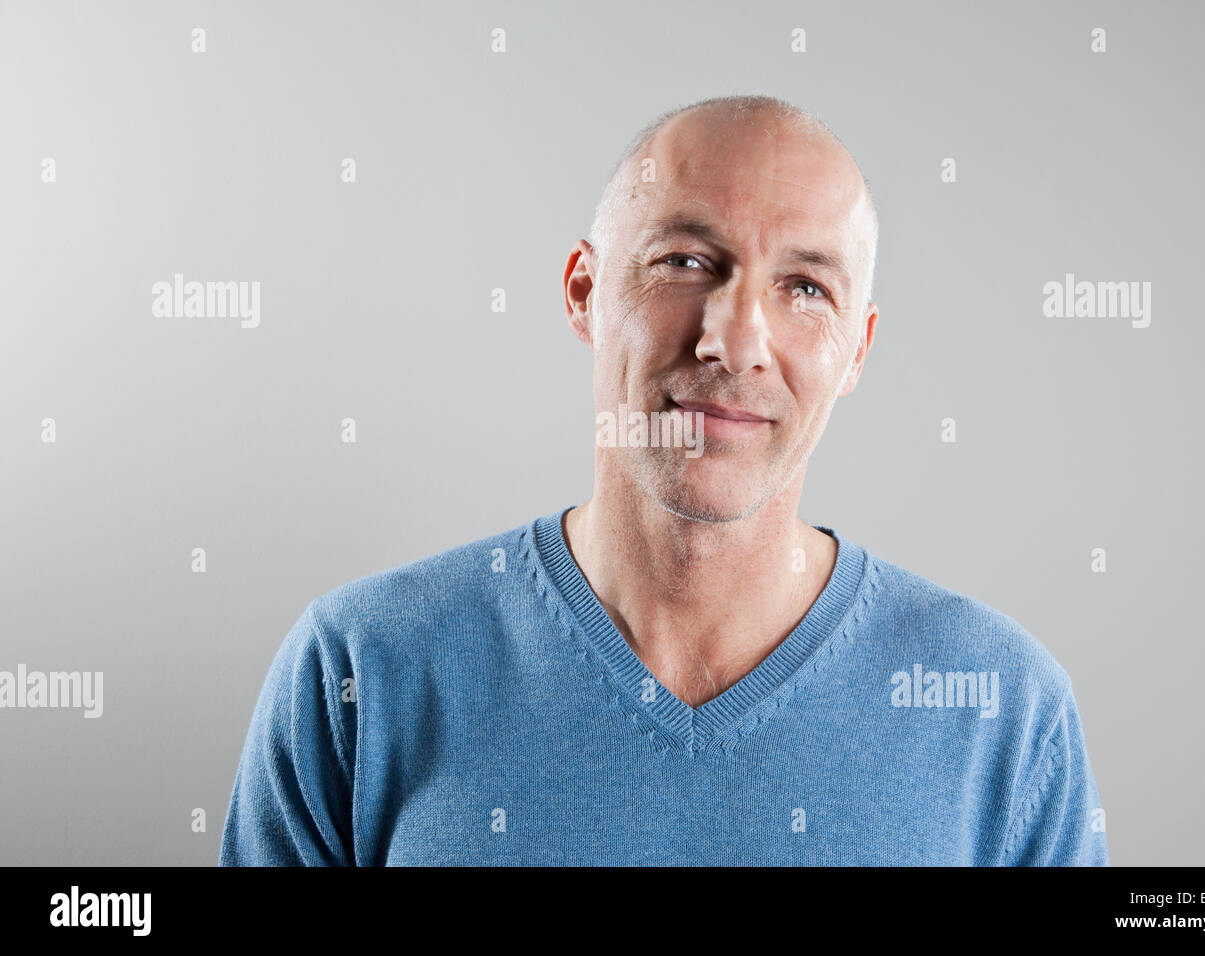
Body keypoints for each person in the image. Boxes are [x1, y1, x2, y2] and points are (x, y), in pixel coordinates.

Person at [219, 94, 1109, 866]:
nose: (735, 342)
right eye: (686, 261)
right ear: (583, 291)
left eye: (804, 288)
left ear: (857, 353)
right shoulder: (360, 669)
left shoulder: (1005, 709)